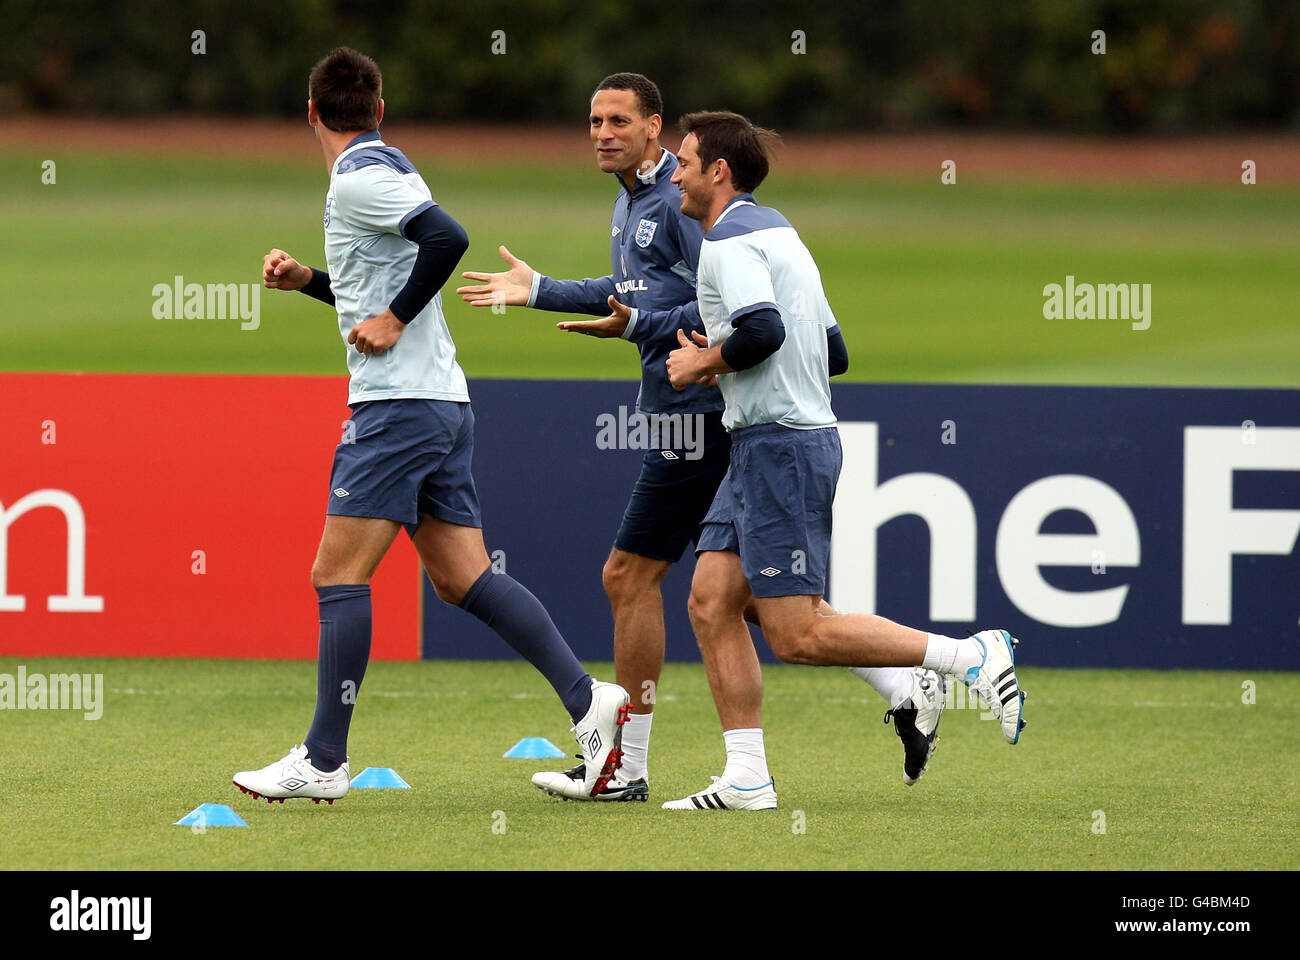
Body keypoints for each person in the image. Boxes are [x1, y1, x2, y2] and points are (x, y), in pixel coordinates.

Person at [456, 74, 947, 800]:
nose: (603, 133)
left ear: (654, 128)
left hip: (705, 418)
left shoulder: (683, 201)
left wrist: (647, 331)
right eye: (594, 121)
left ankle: (626, 766)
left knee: (632, 577)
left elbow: (714, 303)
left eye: (619, 120)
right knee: (743, 597)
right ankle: (904, 684)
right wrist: (543, 290)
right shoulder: (633, 200)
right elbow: (642, 291)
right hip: (690, 415)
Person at [232, 47, 629, 807]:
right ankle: (589, 701)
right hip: (439, 401)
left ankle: (323, 759)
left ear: (310, 113)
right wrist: (310, 281)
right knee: (463, 578)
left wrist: (392, 318)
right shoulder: (390, 164)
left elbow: (449, 238)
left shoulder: (359, 179)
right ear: (379, 111)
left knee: (337, 575)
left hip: (397, 408)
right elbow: (382, 282)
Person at [659, 111, 1026, 811]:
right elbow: (833, 352)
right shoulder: (781, 234)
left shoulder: (726, 243)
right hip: (769, 444)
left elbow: (763, 330)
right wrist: (731, 361)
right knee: (712, 600)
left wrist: (706, 361)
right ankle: (747, 778)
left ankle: (970, 657)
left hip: (780, 447)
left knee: (796, 635)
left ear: (718, 172)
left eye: (684, 161)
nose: (675, 175)